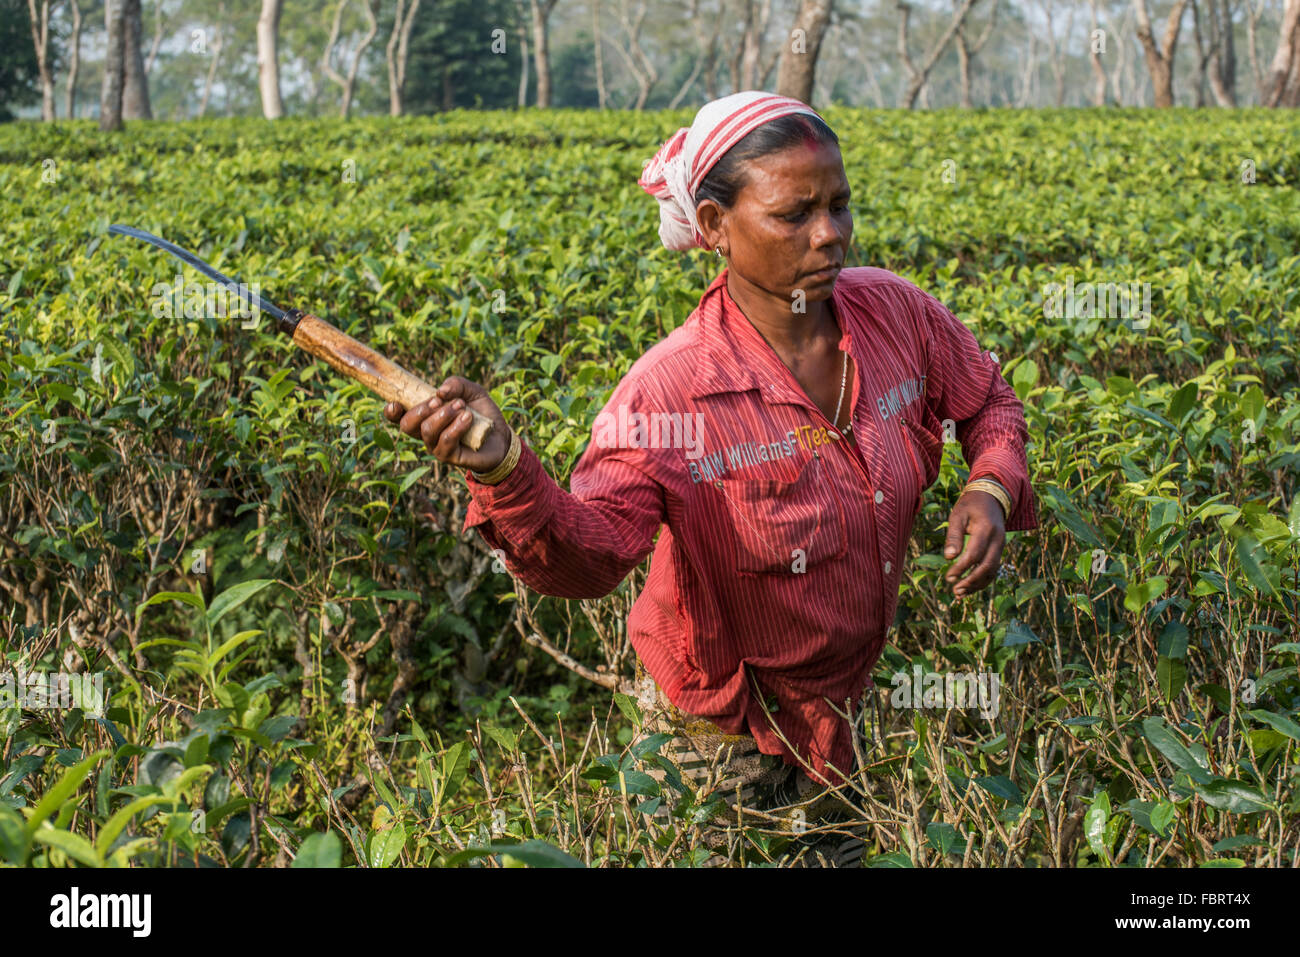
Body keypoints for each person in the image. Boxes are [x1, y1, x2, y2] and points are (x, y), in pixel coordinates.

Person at [384, 91, 1038, 867]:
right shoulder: (671, 390)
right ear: (717, 225)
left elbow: (987, 398)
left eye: (839, 205)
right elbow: (591, 554)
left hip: (847, 711)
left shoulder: (896, 314)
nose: (829, 234)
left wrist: (989, 486)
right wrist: (503, 468)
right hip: (714, 744)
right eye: (794, 215)